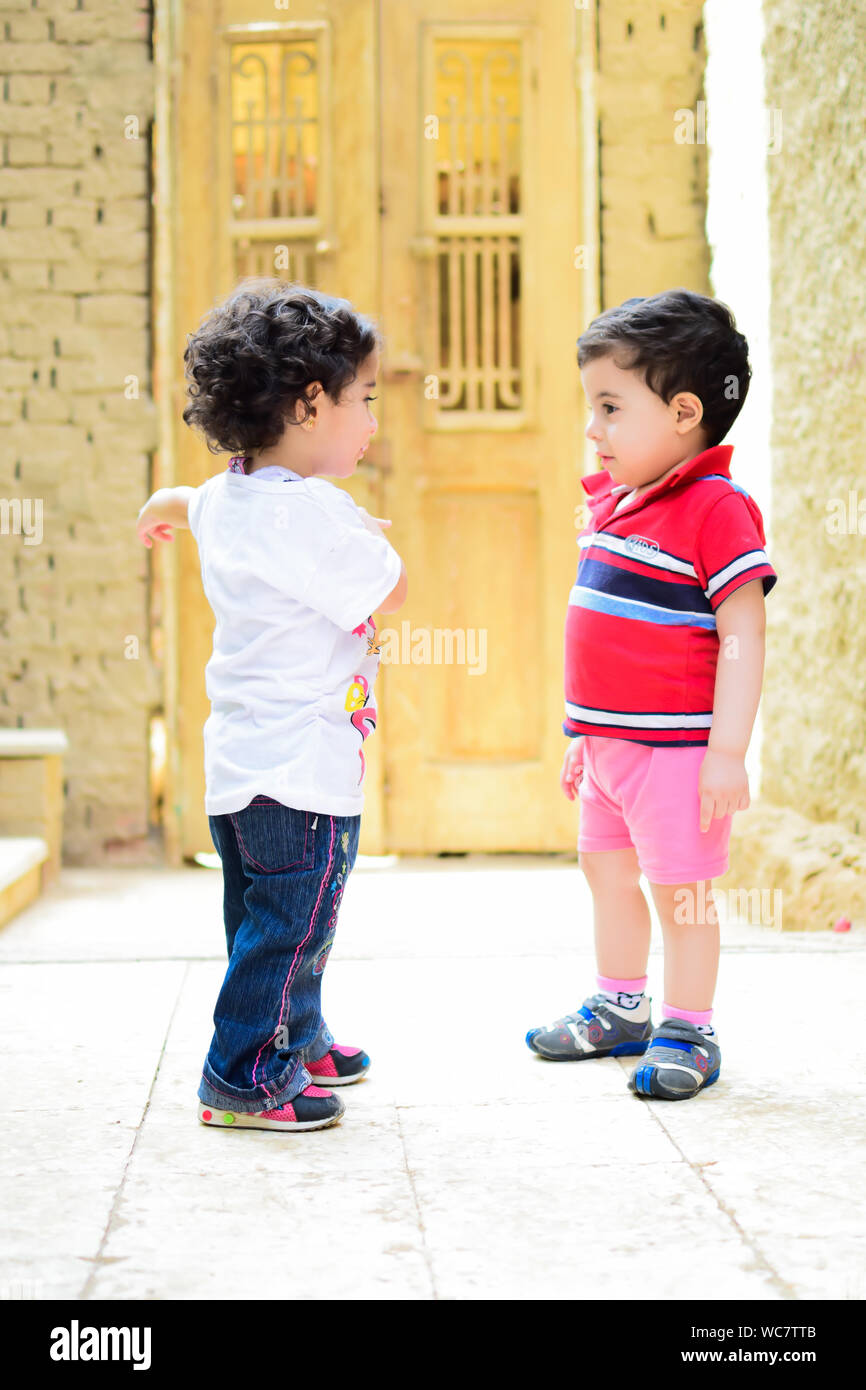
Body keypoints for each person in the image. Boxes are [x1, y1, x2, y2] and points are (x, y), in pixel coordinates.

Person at [136, 279, 407, 1131]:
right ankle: (242, 1074)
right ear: (310, 402)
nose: (372, 423)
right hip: (303, 769)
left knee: (270, 922)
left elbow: (192, 503)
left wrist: (164, 506)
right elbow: (394, 594)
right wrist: (370, 538)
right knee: (293, 927)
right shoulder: (312, 514)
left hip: (245, 770)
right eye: (364, 401)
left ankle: (298, 1035)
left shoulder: (230, 494)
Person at [526, 288, 777, 1100]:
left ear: (682, 412)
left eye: (608, 407)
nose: (592, 430)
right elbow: (608, 636)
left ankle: (689, 1025)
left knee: (683, 892)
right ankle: (620, 1005)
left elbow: (743, 635)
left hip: (674, 754)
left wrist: (727, 752)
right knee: (605, 874)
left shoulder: (716, 507)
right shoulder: (623, 502)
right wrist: (583, 736)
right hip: (607, 751)